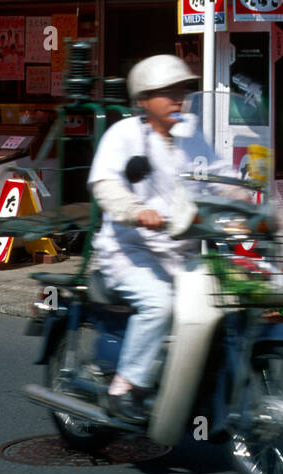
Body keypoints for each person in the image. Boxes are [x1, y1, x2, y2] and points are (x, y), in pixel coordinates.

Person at [87, 54, 230, 420]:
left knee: (225, 300)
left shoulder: (192, 135)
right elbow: (104, 185)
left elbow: (220, 178)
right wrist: (135, 211)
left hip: (182, 251)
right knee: (159, 303)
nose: (177, 99)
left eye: (181, 90)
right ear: (143, 100)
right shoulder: (124, 135)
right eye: (166, 92)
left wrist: (250, 204)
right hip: (128, 250)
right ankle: (126, 385)